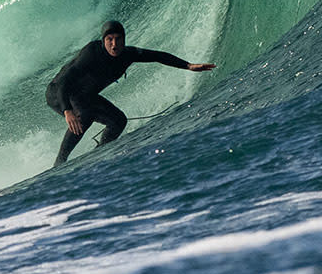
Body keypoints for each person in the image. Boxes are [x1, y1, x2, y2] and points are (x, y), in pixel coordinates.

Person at [45, 19, 215, 166]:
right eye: (109, 39)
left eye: (118, 39)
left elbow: (157, 56)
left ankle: (99, 154)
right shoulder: (91, 54)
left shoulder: (127, 55)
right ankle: (60, 163)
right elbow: (64, 82)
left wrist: (188, 66)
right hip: (59, 93)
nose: (114, 44)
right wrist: (67, 110)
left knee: (118, 120)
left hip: (84, 96)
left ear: (124, 39)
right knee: (86, 115)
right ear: (103, 41)